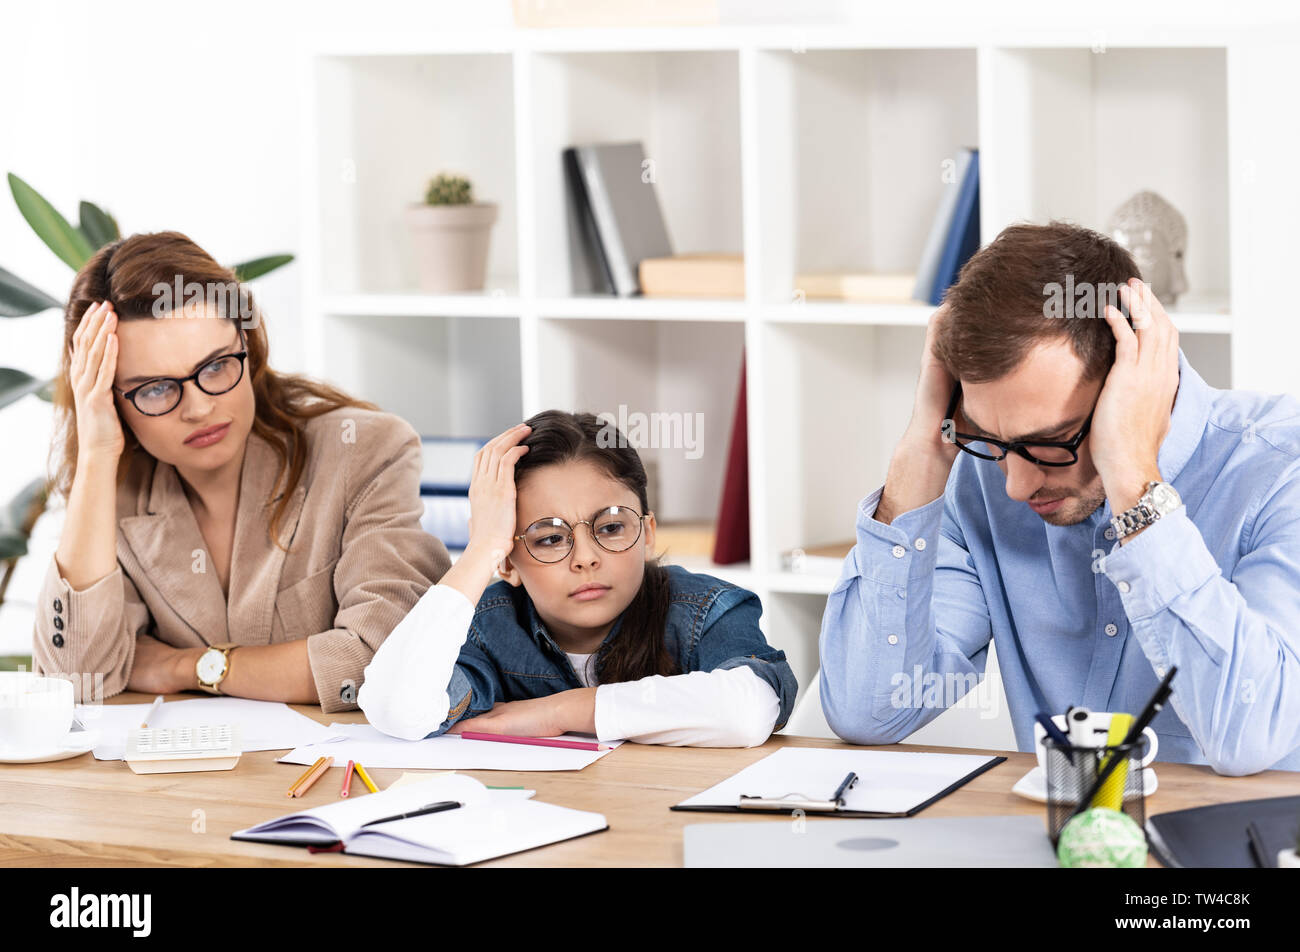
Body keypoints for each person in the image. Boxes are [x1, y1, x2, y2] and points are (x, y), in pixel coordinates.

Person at [819, 221, 1300, 775]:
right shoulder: (983, 480)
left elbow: (1252, 733)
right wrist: (921, 454)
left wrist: (1135, 481)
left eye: (1050, 444)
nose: (1016, 487)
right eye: (993, 441)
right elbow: (867, 711)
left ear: (1135, 380)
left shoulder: (1277, 471)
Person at [33, 231, 450, 711]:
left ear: (247, 345)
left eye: (214, 367)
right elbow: (74, 685)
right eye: (154, 389)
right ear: (110, 399)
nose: (198, 407)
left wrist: (185, 666)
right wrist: (97, 455)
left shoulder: (365, 452)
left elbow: (387, 665)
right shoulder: (115, 493)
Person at [359, 410, 797, 746]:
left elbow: (750, 708)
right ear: (507, 561)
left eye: (610, 528)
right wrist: (480, 552)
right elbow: (397, 708)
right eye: (549, 539)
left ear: (647, 535)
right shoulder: (490, 627)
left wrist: (563, 712)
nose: (585, 559)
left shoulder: (703, 611)